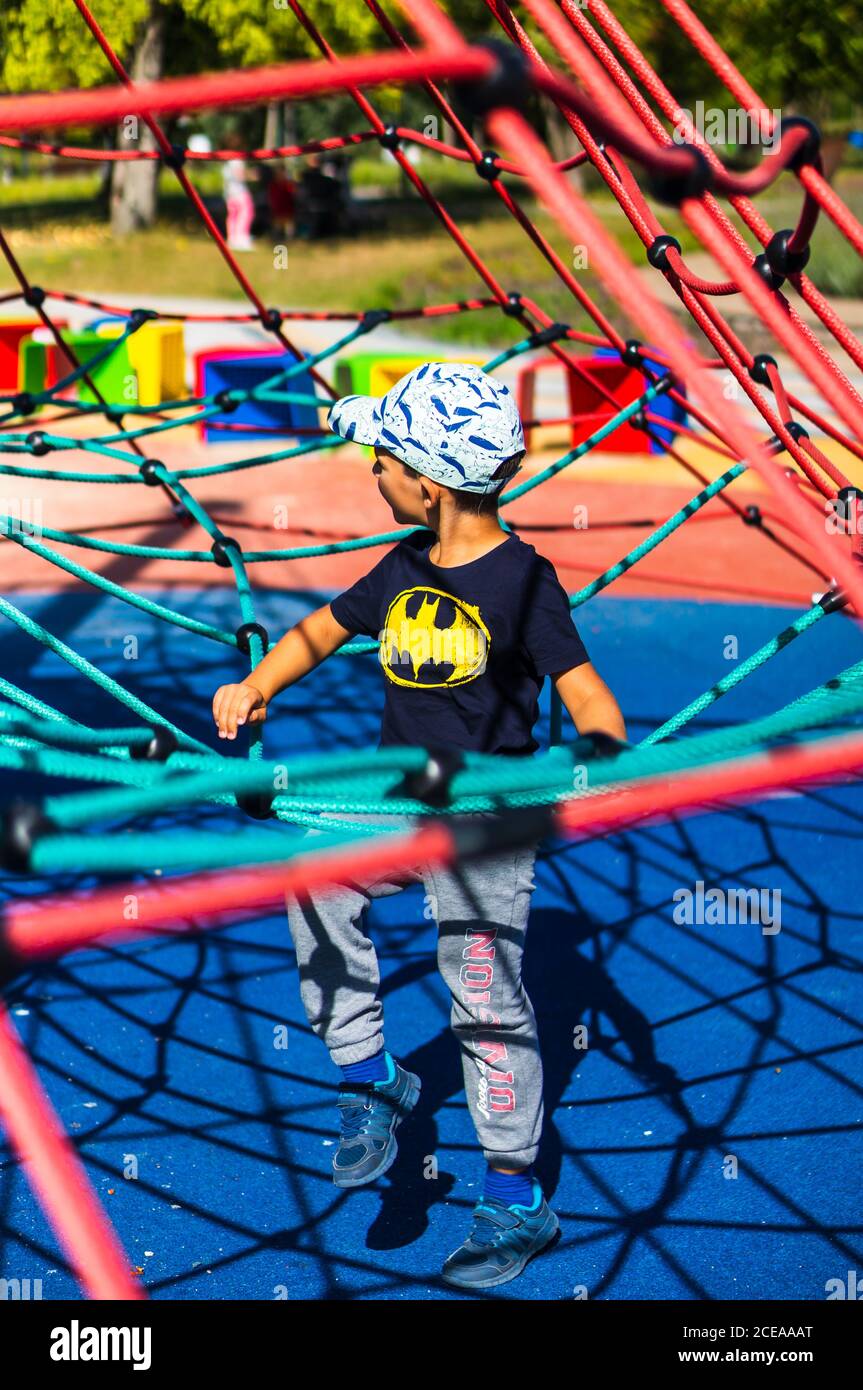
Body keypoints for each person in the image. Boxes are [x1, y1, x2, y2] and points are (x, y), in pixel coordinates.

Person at [211, 362, 626, 1289]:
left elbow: (581, 682)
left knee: (482, 998)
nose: (372, 472)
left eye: (381, 459)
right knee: (314, 878)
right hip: (398, 805)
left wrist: (603, 746)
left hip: (484, 824)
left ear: (428, 481)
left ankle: (517, 1199)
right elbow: (321, 628)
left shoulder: (524, 580)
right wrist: (256, 684)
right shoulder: (404, 563)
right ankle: (372, 1078)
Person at [222, 138, 254, 251]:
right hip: (239, 192)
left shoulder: (226, 161)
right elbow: (240, 175)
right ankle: (241, 238)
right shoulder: (237, 160)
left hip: (230, 194)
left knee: (233, 216)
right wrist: (253, 175)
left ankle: (232, 238)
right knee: (246, 214)